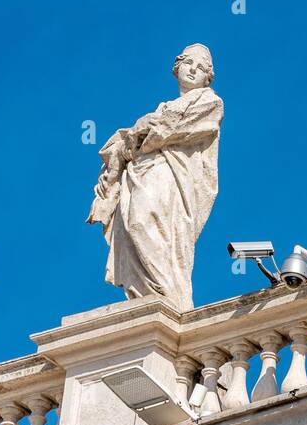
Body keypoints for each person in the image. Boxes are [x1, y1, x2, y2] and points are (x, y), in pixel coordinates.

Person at [87, 43, 223, 310]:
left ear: (208, 77)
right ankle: (147, 297)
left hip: (169, 176)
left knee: (145, 222)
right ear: (177, 67)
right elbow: (138, 139)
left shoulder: (210, 102)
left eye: (201, 67)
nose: (193, 69)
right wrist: (130, 142)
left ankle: (167, 297)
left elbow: (175, 129)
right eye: (188, 63)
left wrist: (141, 133)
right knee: (132, 225)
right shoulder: (164, 107)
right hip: (141, 174)